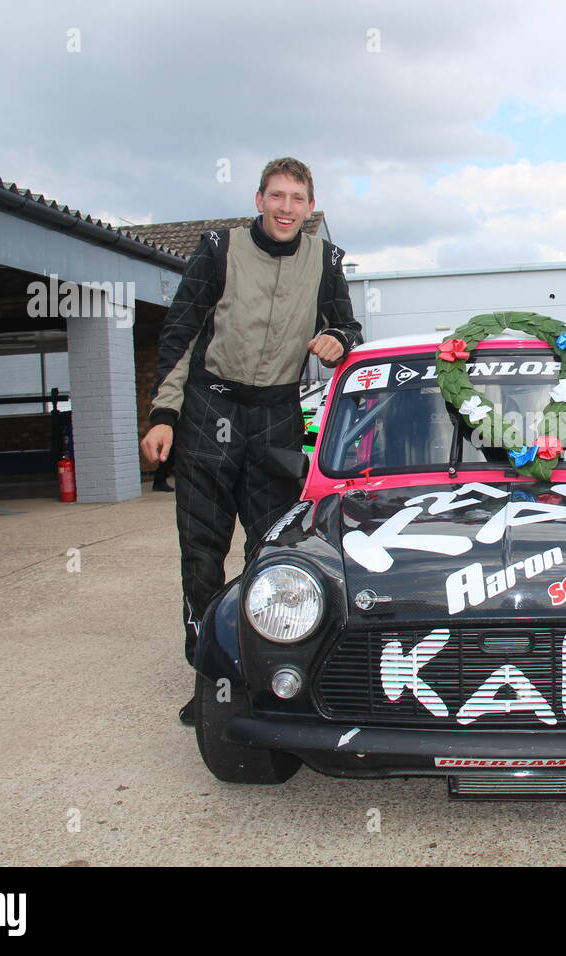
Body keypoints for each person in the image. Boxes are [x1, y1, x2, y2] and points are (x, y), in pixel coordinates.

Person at [139, 157, 363, 726]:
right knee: (201, 549)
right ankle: (209, 677)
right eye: (277, 196)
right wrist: (164, 414)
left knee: (271, 549)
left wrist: (337, 338)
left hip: (277, 415)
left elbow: (348, 327)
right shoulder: (218, 247)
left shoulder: (326, 259)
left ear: (310, 208)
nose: (287, 208)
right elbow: (180, 331)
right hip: (209, 407)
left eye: (298, 198)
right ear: (259, 199)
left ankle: (267, 674)